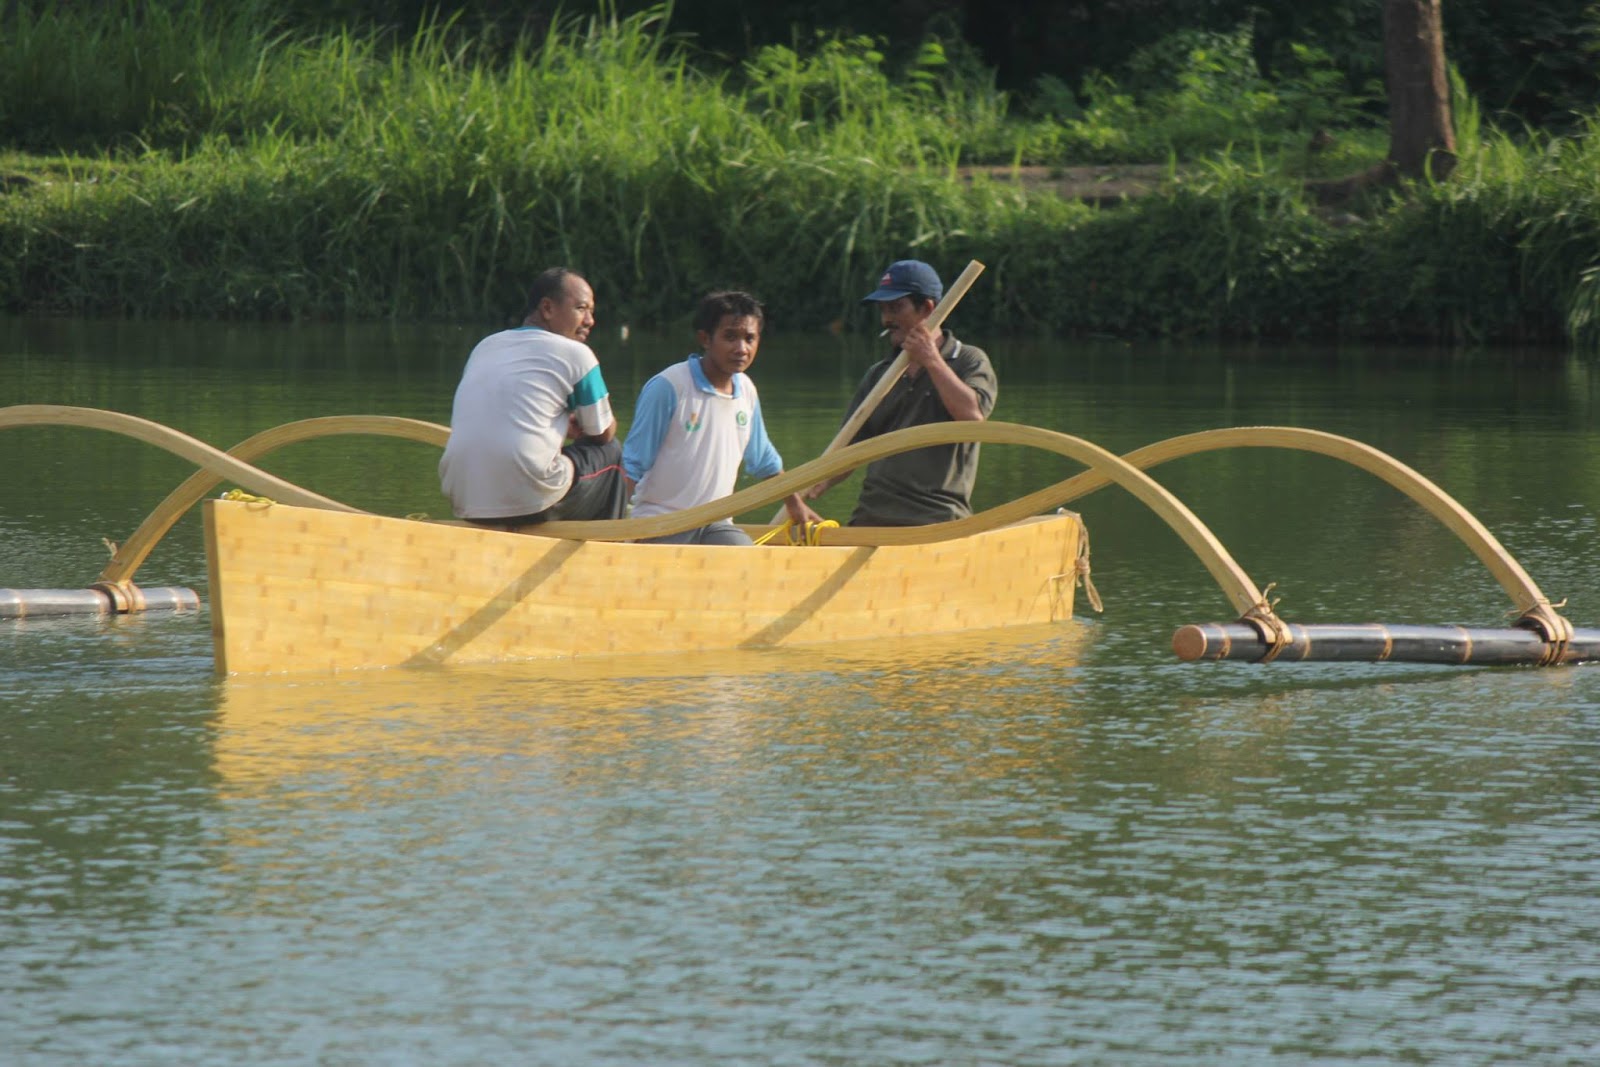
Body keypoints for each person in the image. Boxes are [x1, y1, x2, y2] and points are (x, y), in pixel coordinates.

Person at [806, 259, 997, 526]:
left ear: (927, 308)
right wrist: (810, 486)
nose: (887, 319)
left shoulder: (969, 360)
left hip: (937, 519)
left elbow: (972, 420)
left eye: (895, 308)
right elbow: (847, 450)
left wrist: (932, 360)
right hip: (870, 518)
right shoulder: (878, 375)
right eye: (883, 310)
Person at [622, 290, 820, 545]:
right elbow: (633, 463)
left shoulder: (746, 390)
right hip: (660, 522)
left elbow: (764, 460)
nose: (741, 348)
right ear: (705, 339)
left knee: (745, 556)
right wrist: (611, 527)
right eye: (730, 337)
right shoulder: (670, 386)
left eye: (750, 338)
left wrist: (795, 505)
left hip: (716, 525)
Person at [439, 267, 628, 527]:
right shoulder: (577, 354)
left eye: (591, 311)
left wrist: (561, 424)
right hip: (530, 498)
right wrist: (585, 428)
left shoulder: (485, 346)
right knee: (611, 451)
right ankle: (607, 544)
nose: (590, 321)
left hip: (464, 496)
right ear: (547, 308)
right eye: (581, 309)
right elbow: (602, 433)